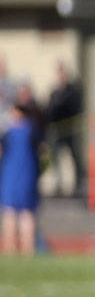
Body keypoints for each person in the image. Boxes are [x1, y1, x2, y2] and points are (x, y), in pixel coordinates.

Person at [1, 93, 43, 255]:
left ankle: (10, 248)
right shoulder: (33, 130)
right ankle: (28, 249)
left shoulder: (8, 131)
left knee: (10, 212)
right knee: (27, 213)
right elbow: (41, 151)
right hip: (28, 175)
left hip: (9, 175)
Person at [44, 61, 84, 197]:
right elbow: (49, 110)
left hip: (70, 129)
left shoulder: (73, 92)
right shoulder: (55, 92)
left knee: (74, 157)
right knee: (55, 158)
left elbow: (76, 108)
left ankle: (77, 186)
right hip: (56, 129)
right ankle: (58, 185)